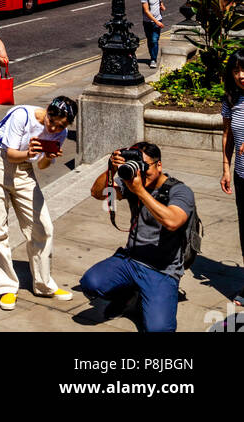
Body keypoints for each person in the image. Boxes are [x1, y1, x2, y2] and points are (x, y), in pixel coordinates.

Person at [0, 94, 77, 310]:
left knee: (43, 227)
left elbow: (41, 166)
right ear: (48, 111)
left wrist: (48, 156)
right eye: (52, 123)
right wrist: (29, 152)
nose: (54, 130)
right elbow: (11, 155)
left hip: (25, 172)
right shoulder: (21, 116)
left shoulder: (63, 133)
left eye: (61, 127)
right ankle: (6, 288)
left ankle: (44, 284)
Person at [83, 142, 196, 333]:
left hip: (162, 269)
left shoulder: (179, 191)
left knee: (158, 329)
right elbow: (97, 193)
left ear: (159, 165)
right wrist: (111, 170)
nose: (141, 174)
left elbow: (173, 221)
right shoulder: (133, 180)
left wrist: (140, 191)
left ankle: (148, 295)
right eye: (137, 167)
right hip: (131, 259)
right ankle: (127, 295)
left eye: (145, 168)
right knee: (91, 284)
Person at [221, 51, 244, 311]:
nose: (241, 75)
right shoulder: (231, 98)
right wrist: (226, 168)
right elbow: (227, 135)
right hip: (242, 175)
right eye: (236, 71)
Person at [141, 0, 165, 68]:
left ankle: (153, 59)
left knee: (154, 40)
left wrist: (162, 6)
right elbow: (146, 11)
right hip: (148, 22)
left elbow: (161, 2)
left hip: (158, 19)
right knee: (150, 40)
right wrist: (156, 21)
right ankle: (152, 56)